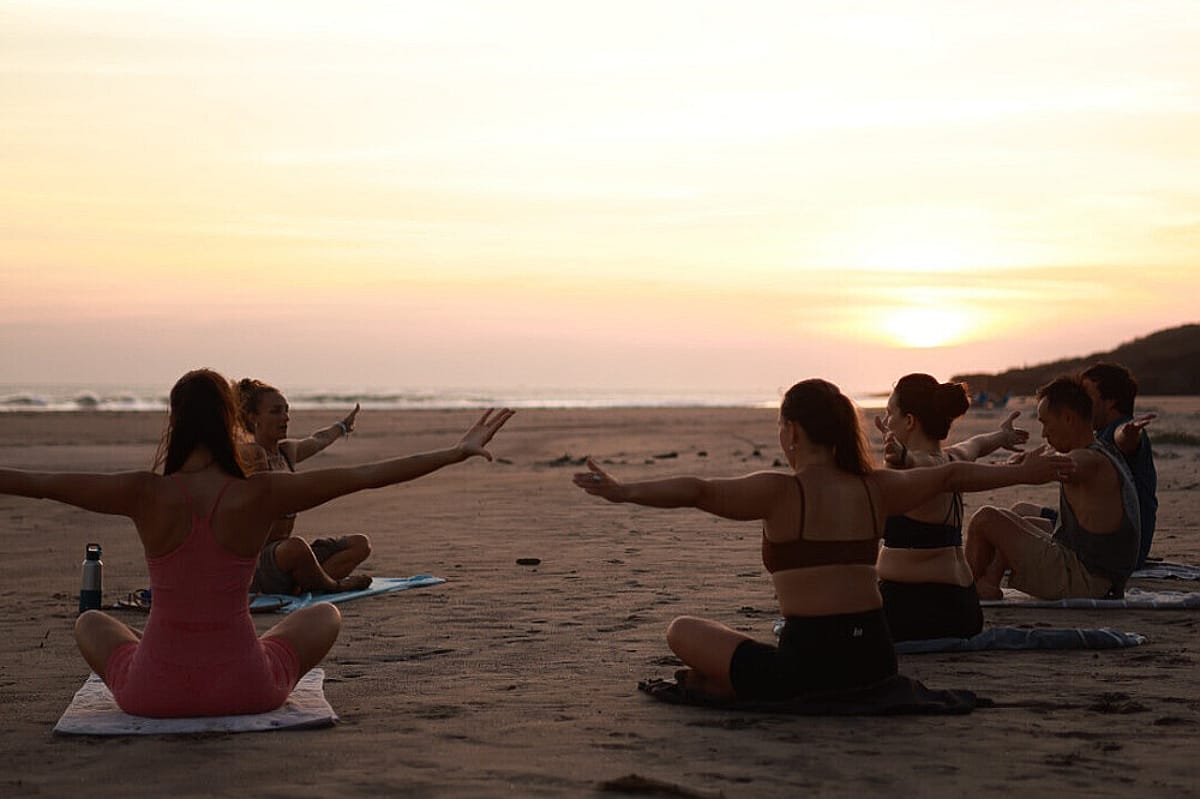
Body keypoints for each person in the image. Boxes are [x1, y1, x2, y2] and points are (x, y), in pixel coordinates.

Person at [0, 369, 513, 718]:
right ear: (230, 421)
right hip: (246, 689)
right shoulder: (260, 492)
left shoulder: (144, 492)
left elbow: (39, 481)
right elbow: (368, 475)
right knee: (326, 615)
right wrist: (454, 452)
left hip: (150, 694)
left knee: (90, 620)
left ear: (175, 422)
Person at [572, 378, 1072, 703]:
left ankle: (729, 685)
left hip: (808, 667)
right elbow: (952, 475)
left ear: (792, 432)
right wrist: (1022, 472)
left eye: (780, 428)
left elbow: (699, 491)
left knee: (682, 630)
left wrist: (624, 492)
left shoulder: (778, 491)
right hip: (878, 659)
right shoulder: (875, 487)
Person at [873, 374, 1028, 641]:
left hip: (918, 607)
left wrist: (902, 458)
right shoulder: (953, 457)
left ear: (909, 421)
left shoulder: (927, 467)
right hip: (963, 609)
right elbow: (977, 444)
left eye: (890, 414)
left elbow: (927, 468)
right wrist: (1002, 436)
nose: (886, 422)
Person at [966, 375, 1140, 601]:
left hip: (1084, 582)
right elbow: (1050, 453)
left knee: (985, 518)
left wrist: (1022, 470)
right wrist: (1016, 459)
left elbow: (1069, 462)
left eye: (1045, 422)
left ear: (1068, 418)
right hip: (1103, 578)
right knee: (1021, 519)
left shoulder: (1087, 460)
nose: (1044, 433)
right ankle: (988, 583)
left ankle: (964, 592)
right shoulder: (1099, 448)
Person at [236, 378, 371, 594]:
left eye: (286, 411)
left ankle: (303, 583)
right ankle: (332, 586)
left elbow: (319, 439)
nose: (285, 417)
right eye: (276, 411)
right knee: (297, 547)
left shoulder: (287, 452)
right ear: (253, 418)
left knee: (360, 544)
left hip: (287, 557)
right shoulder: (249, 454)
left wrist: (343, 426)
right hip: (259, 564)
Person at [1081, 363, 1157, 568]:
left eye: (1087, 396)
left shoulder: (1119, 429)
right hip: (1099, 533)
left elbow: (1122, 439)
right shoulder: (1099, 435)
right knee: (1022, 510)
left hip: (1123, 546)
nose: (1081, 404)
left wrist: (1129, 432)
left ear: (1110, 402)